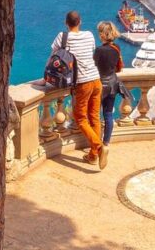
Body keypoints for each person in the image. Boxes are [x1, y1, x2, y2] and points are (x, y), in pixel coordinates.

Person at [53, 10, 103, 166]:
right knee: (94, 116)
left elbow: (55, 57)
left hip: (82, 82)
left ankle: (99, 147)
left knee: (80, 118)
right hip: (96, 79)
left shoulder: (63, 37)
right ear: (80, 22)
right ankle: (94, 156)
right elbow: (91, 52)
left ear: (66, 23)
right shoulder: (89, 35)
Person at [94, 21, 126, 167]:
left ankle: (95, 149)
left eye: (99, 32)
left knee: (94, 116)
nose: (98, 35)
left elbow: (94, 68)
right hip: (113, 84)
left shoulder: (99, 50)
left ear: (103, 34)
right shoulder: (116, 48)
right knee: (108, 115)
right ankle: (106, 144)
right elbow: (118, 68)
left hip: (100, 85)